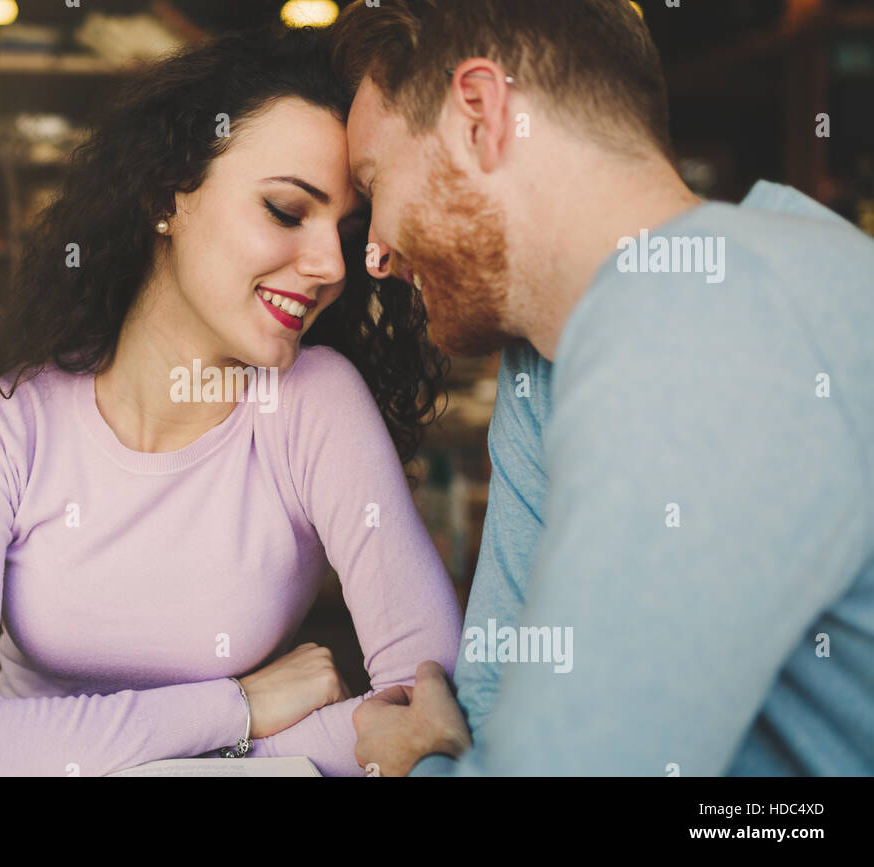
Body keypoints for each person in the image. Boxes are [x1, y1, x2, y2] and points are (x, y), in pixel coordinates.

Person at [0, 25, 464, 777]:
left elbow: (430, 716)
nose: (329, 267)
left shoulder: (314, 403)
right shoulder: (2, 421)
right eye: (287, 210)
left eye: (346, 232)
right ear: (166, 195)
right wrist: (238, 708)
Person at [332, 0, 874, 775]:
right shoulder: (548, 363)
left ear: (481, 115)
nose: (374, 256)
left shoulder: (717, 320)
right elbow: (490, 713)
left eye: (374, 181)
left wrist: (415, 763)